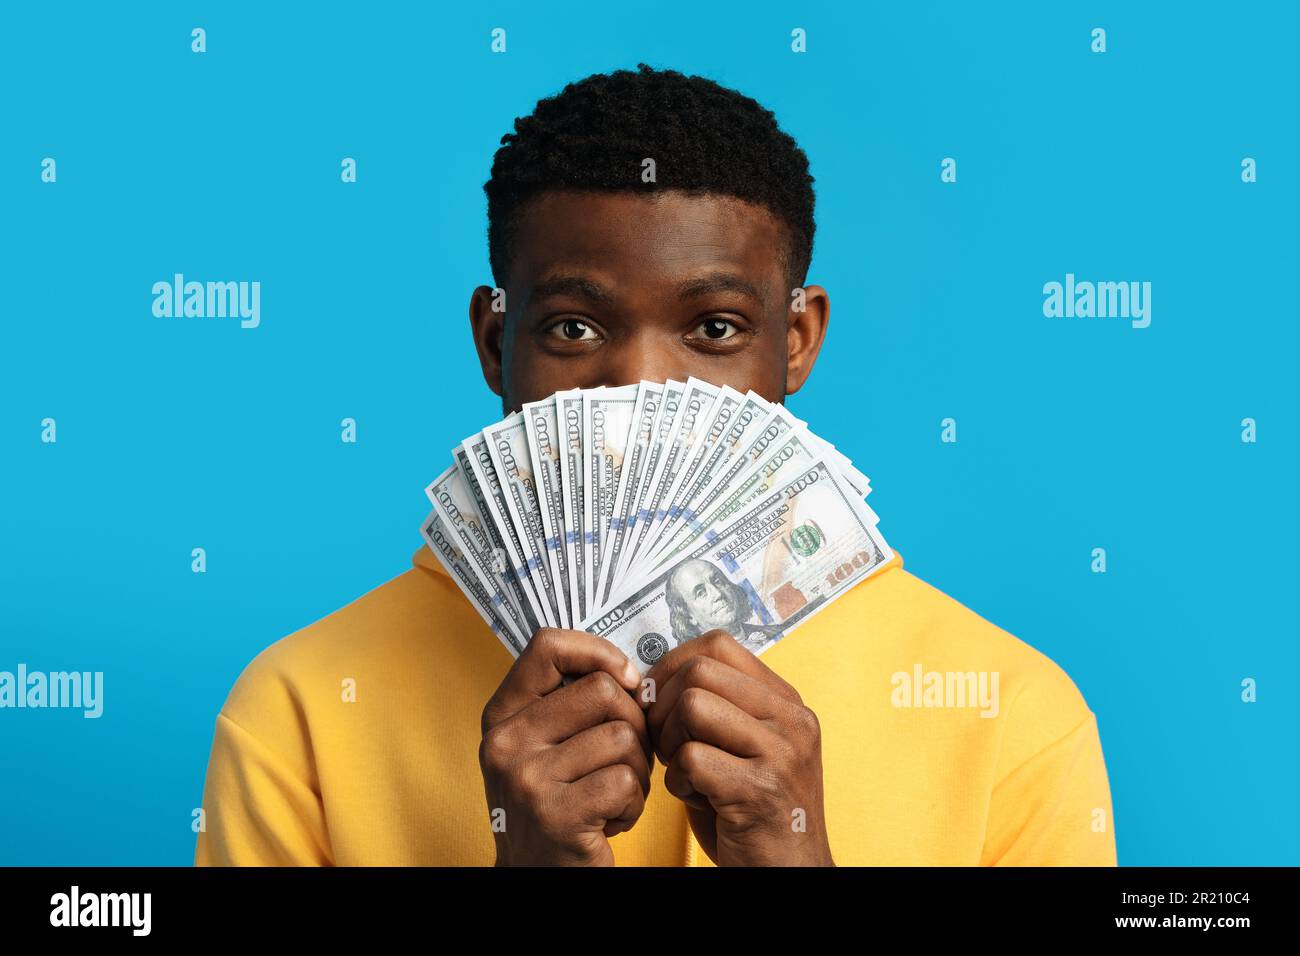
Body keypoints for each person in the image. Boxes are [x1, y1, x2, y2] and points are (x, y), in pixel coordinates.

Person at [195, 64, 1117, 867]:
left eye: (715, 328)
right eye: (573, 327)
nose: (635, 389)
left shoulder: (1013, 714)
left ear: (796, 341)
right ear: (493, 342)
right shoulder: (302, 708)